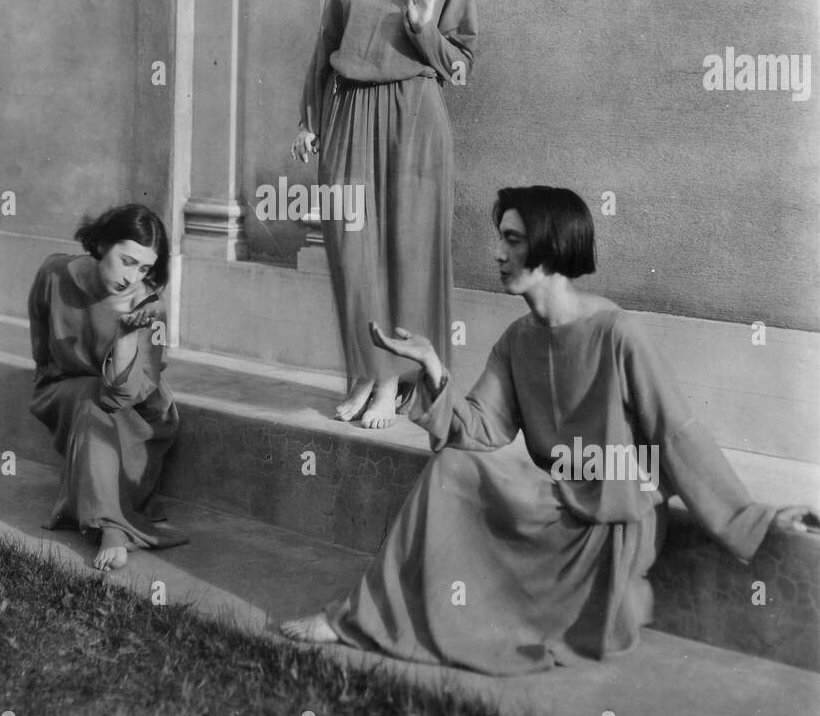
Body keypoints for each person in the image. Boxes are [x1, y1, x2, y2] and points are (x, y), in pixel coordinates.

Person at [282, 186, 818, 673]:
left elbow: (678, 434)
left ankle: (466, 616)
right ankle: (363, 619)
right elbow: (481, 429)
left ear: (552, 244)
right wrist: (433, 368)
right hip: (559, 501)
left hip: (614, 518)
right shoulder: (518, 339)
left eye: (513, 240)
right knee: (451, 467)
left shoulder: (619, 333)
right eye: (501, 239)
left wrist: (757, 518)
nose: (497, 253)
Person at [293, 0, 478, 429]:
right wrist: (309, 118)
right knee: (353, 253)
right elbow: (326, 43)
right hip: (349, 113)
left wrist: (425, 29)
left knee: (406, 251)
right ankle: (370, 374)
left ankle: (394, 383)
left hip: (413, 121)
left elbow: (461, 67)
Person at [27, 203, 188, 571]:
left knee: (93, 400)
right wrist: (52, 380)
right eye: (127, 260)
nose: (133, 277)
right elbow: (40, 342)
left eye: (144, 268)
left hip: (137, 416)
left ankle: (111, 526)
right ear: (102, 244)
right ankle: (110, 519)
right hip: (64, 392)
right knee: (85, 396)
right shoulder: (54, 272)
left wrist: (126, 338)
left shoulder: (148, 306)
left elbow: (124, 396)